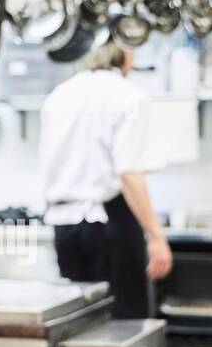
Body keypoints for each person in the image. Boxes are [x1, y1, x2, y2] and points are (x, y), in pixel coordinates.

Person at [39, 43, 172, 318]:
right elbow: (129, 172)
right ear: (127, 53)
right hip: (109, 221)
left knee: (78, 320)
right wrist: (156, 236)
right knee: (124, 321)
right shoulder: (129, 96)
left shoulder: (59, 94)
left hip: (64, 225)